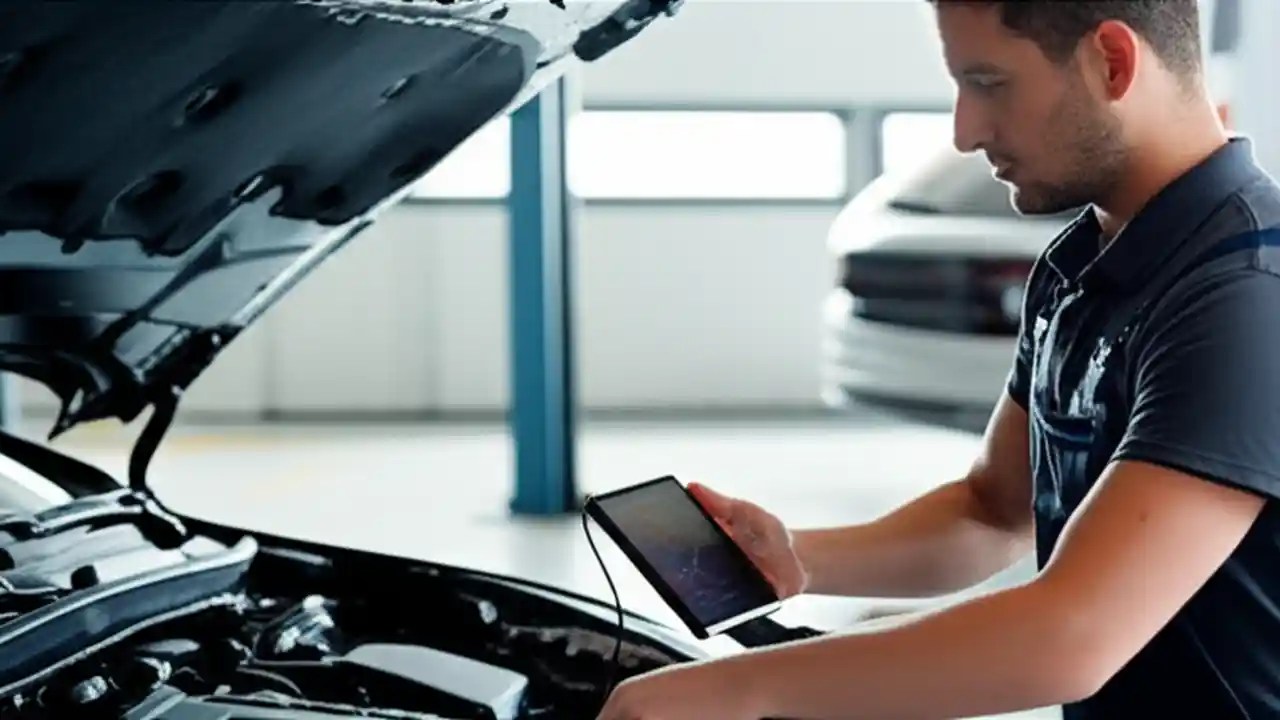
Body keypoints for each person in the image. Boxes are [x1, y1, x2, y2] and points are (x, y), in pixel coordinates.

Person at [596, 1, 1280, 718]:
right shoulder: (1080, 262)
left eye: (989, 83)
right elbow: (989, 512)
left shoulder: (1245, 293)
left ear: (1112, 62)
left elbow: (1072, 635)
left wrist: (737, 688)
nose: (964, 131)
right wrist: (799, 557)